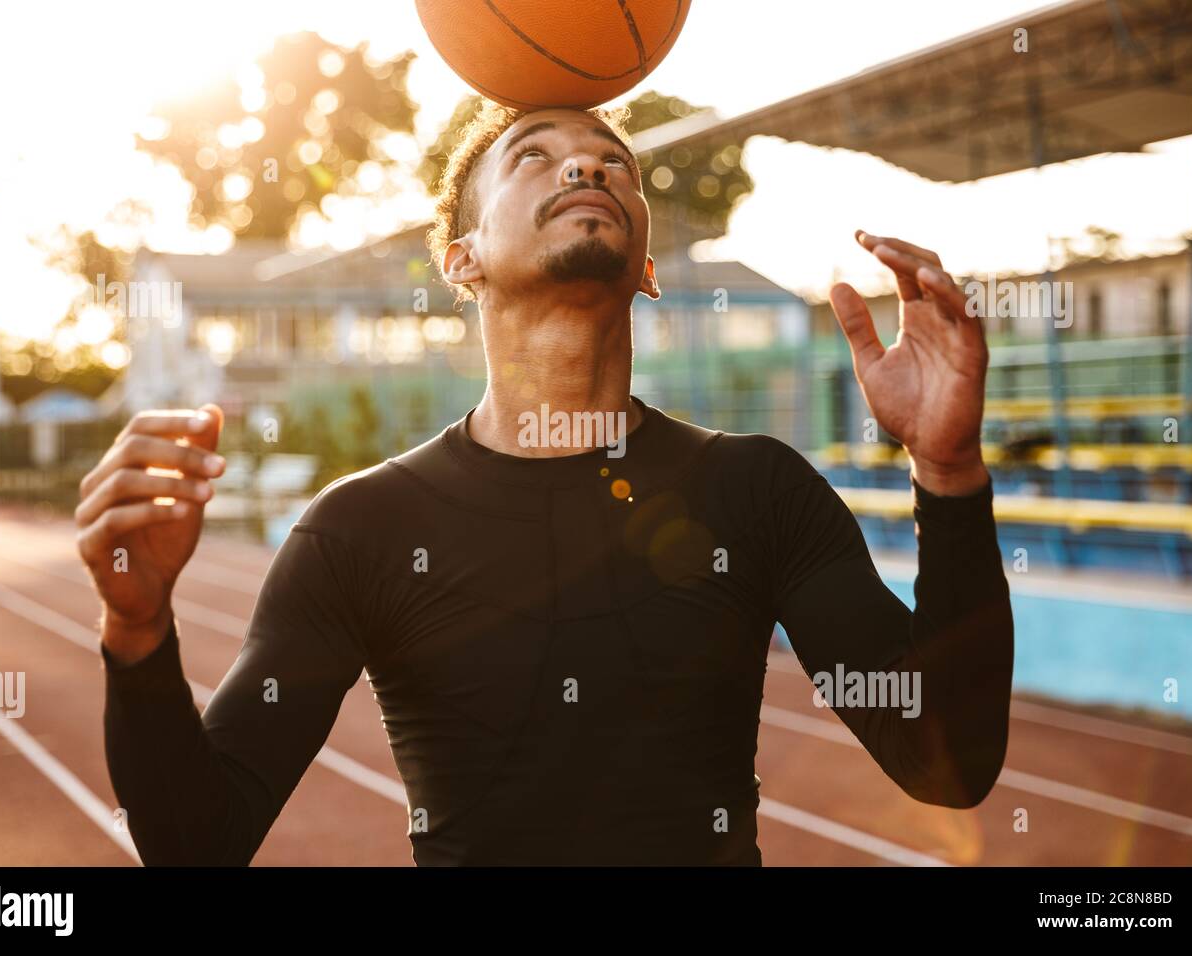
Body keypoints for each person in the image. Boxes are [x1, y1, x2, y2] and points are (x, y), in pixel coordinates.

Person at [77, 101, 1013, 866]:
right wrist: (137, 634)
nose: (587, 169)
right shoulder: (361, 528)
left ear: (647, 268)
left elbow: (952, 762)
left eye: (616, 164)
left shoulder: (757, 491)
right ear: (462, 258)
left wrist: (950, 474)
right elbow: (198, 846)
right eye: (534, 156)